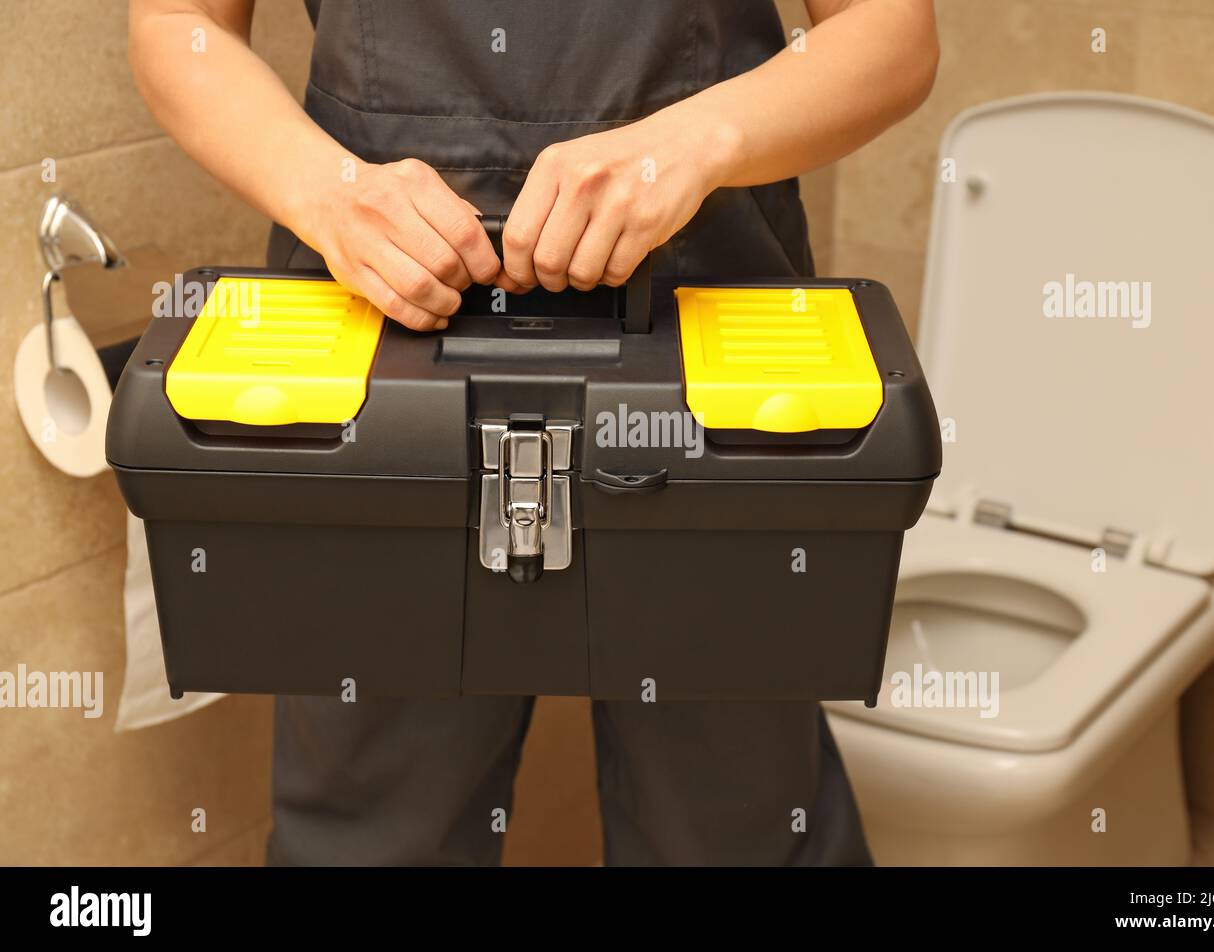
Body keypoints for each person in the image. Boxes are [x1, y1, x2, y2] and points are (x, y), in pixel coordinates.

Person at [129, 0, 939, 866]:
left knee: (734, 827)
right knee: (369, 835)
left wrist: (698, 142)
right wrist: (325, 190)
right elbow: (180, 23)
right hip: (377, 371)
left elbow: (890, 32)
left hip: (712, 363)